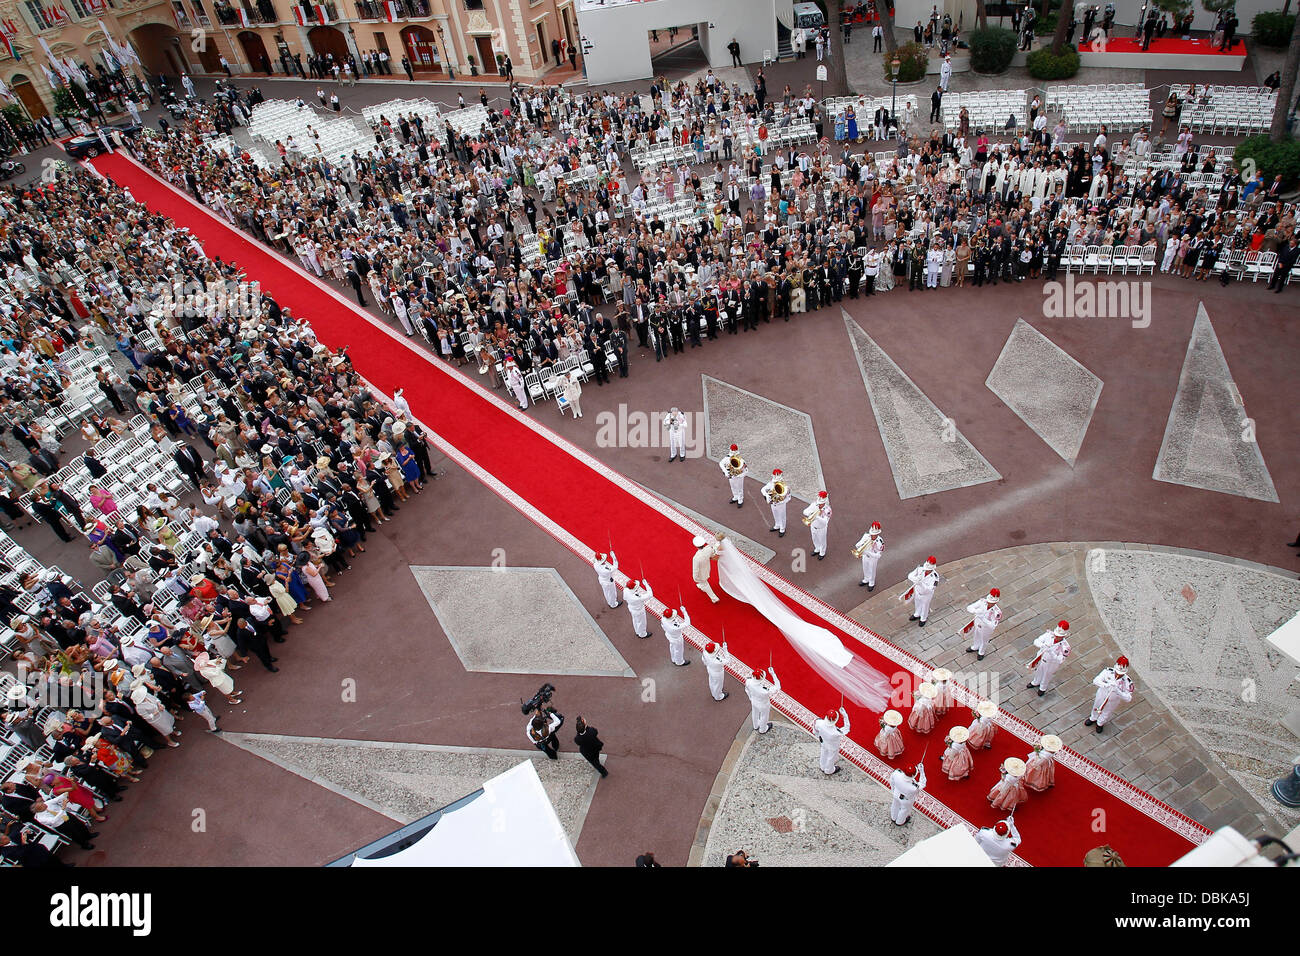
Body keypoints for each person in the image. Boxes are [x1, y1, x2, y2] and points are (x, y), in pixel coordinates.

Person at [1086, 655, 1134, 733]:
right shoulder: (1107, 672)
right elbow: (1095, 680)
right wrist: (1106, 685)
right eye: (1117, 672)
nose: (1118, 674)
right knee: (1096, 706)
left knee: (1107, 712)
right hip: (1102, 694)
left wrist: (1118, 691)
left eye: (1121, 673)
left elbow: (1128, 698)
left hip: (1113, 700)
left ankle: (1100, 723)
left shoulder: (1127, 682)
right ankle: (1093, 718)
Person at [1026, 621, 1070, 695]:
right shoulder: (1048, 635)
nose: (1056, 636)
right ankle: (1035, 682)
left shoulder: (1065, 647)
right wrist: (1042, 645)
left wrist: (1051, 653)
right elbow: (1036, 641)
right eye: (1056, 634)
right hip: (1041, 658)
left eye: (1059, 636)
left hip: (1051, 663)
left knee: (1046, 675)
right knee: (1038, 671)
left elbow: (1060, 660)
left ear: (1063, 636)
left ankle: (1042, 688)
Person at [963, 588, 1002, 660]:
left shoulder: (997, 612)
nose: (989, 603)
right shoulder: (982, 602)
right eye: (989, 601)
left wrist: (983, 618)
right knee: (976, 635)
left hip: (986, 629)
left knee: (984, 640)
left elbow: (993, 625)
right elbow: (969, 607)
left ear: (995, 603)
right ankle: (975, 646)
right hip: (977, 623)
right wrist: (975, 611)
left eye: (991, 602)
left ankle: (981, 652)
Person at [901, 556, 939, 626]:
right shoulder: (920, 569)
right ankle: (917, 614)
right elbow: (910, 575)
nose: (926, 570)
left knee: (925, 606)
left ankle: (923, 618)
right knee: (917, 603)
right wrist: (915, 579)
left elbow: (930, 589)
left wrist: (921, 584)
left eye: (928, 569)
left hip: (926, 595)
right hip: (917, 591)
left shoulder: (935, 577)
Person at [814, 706, 849, 775]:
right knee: (830, 758)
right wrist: (845, 715)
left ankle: (822, 766)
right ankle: (829, 770)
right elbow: (847, 728)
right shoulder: (836, 732)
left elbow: (815, 729)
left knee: (823, 753)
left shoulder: (819, 722)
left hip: (823, 742)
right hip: (832, 747)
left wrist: (818, 736)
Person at [744, 667, 780, 733]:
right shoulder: (764, 691)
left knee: (754, 713)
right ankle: (763, 729)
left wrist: (751, 698)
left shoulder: (748, 681)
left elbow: (747, 690)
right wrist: (773, 674)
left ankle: (755, 725)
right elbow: (778, 687)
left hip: (754, 701)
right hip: (763, 705)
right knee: (764, 716)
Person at [692, 534, 722, 603]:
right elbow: (711, 555)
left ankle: (714, 598)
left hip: (701, 574)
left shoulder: (696, 558)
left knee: (705, 584)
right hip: (707, 569)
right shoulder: (709, 549)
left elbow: (695, 570)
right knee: (703, 583)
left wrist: (695, 578)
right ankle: (701, 586)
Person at [853, 521, 884, 589]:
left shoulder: (880, 542)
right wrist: (859, 546)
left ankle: (871, 582)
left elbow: (878, 555)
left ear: (878, 534)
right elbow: (858, 544)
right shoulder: (866, 536)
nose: (872, 535)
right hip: (864, 555)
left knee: (872, 570)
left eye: (874, 534)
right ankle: (866, 579)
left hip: (873, 558)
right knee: (865, 568)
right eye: (871, 534)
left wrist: (868, 553)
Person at [760, 469, 789, 536]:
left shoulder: (784, 486)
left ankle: (782, 528)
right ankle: (777, 525)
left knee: (782, 516)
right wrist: (766, 495)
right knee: (775, 514)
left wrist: (782, 500)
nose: (776, 477)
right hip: (773, 503)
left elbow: (788, 496)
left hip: (781, 504)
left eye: (778, 475)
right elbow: (763, 489)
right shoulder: (771, 484)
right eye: (775, 476)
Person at [808, 490, 831, 559]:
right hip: (813, 526)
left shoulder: (828, 510)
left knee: (822, 540)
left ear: (824, 502)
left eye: (821, 503)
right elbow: (805, 511)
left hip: (822, 528)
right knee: (814, 538)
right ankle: (817, 548)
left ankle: (822, 552)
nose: (819, 505)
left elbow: (825, 522)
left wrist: (817, 517)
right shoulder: (814, 505)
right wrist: (811, 513)